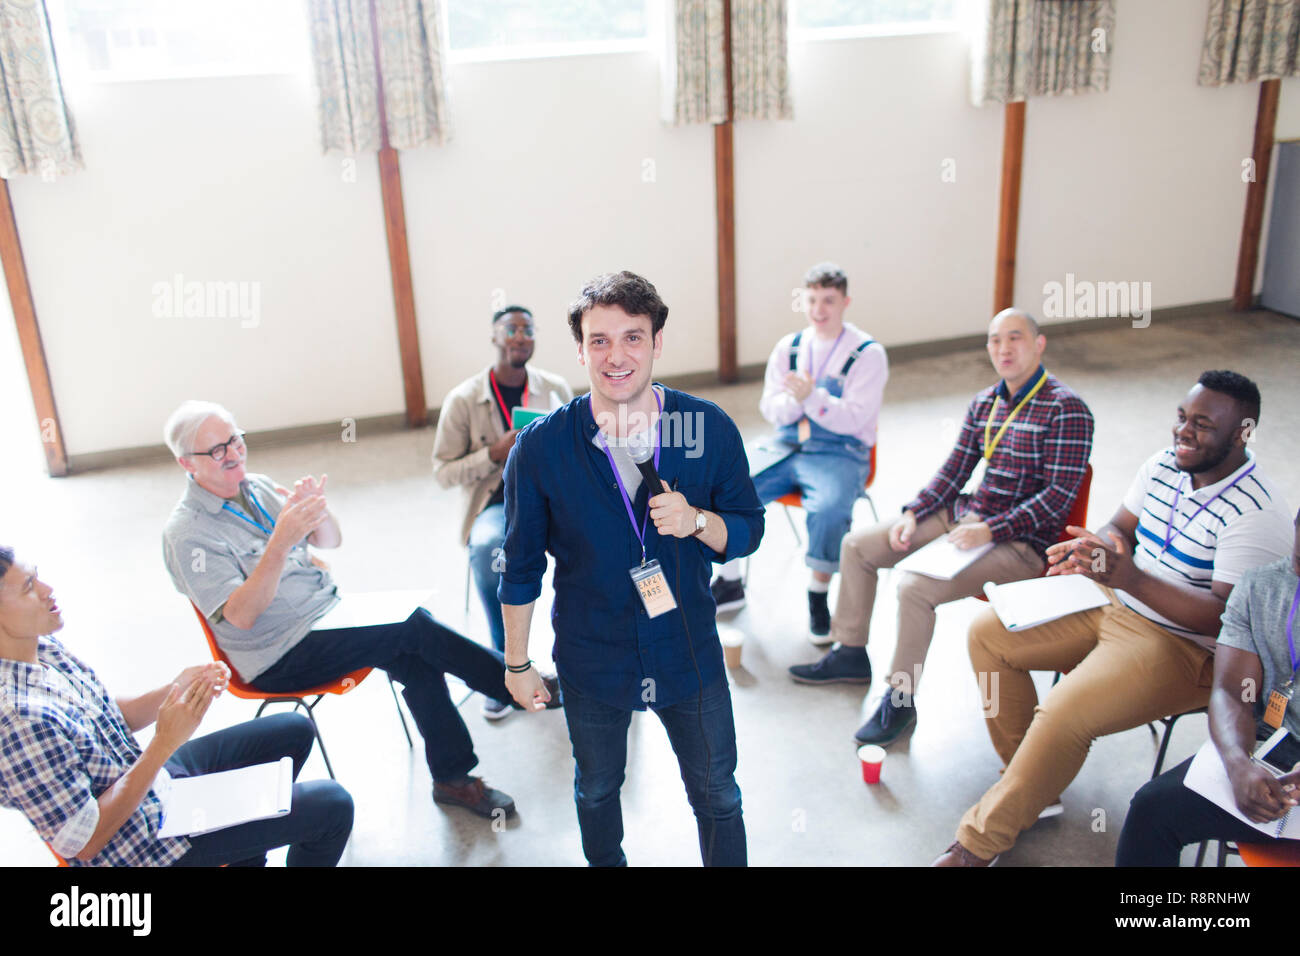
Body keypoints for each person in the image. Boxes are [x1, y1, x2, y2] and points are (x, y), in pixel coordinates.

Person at [935, 370, 1292, 866]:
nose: (1183, 432)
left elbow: (1223, 620)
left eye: (1203, 425)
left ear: (1243, 432)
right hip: (1114, 602)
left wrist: (1129, 579)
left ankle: (975, 846)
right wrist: (1102, 547)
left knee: (1063, 714)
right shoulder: (1164, 465)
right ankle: (1031, 786)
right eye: (1182, 417)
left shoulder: (1258, 512)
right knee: (988, 631)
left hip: (1185, 648)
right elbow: (1118, 525)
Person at [161, 401, 558, 822]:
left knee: (414, 651)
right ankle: (514, 684)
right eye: (217, 451)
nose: (234, 454)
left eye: (235, 440)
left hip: (326, 616)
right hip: (277, 654)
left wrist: (317, 511)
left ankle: (453, 778)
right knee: (412, 628)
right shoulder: (187, 533)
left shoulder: (255, 488)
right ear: (186, 463)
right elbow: (242, 616)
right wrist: (281, 542)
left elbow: (330, 542)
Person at [498, 271, 764, 866]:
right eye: (599, 341)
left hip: (688, 647)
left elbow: (748, 528)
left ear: (657, 342)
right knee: (597, 788)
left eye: (632, 338)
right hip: (594, 657)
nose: (616, 356)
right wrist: (517, 663)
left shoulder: (706, 428)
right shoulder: (541, 448)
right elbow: (519, 568)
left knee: (718, 795)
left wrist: (699, 522)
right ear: (579, 348)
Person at [789, 309, 1094, 749]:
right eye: (994, 340)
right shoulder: (986, 401)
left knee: (913, 587)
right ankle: (851, 652)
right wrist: (915, 511)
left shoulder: (1067, 410)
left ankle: (901, 698)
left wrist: (991, 529)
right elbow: (955, 470)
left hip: (1022, 542)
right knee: (858, 546)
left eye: (1015, 338)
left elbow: (1058, 499)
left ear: (1039, 344)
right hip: (967, 516)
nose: (1004, 349)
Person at [0, 546, 353, 866]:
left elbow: (105, 718)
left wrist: (177, 690)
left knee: (291, 730)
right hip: (141, 847)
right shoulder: (19, 719)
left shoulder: (40, 648)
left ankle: (244, 848)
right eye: (29, 587)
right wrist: (163, 743)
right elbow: (86, 843)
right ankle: (240, 843)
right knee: (331, 805)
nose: (48, 589)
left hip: (151, 787)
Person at [710, 262, 887, 642]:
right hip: (787, 443)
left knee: (828, 510)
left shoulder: (867, 354)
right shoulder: (789, 348)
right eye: (812, 300)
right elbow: (769, 408)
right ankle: (728, 581)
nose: (819, 309)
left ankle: (818, 595)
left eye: (828, 300)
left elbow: (857, 419)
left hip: (840, 450)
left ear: (845, 302)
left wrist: (812, 397)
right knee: (727, 485)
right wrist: (795, 403)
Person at [1116, 508, 1300, 866]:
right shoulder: (1261, 586)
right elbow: (1232, 691)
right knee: (1151, 811)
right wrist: (1237, 764)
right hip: (1279, 745)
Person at [433, 305, 573, 720]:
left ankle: (574, 665)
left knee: (601, 545)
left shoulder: (555, 388)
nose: (520, 336)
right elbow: (443, 472)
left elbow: (583, 444)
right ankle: (504, 668)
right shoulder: (463, 400)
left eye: (528, 330)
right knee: (491, 551)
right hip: (498, 503)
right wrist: (493, 454)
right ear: (495, 337)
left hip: (554, 499)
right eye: (510, 329)